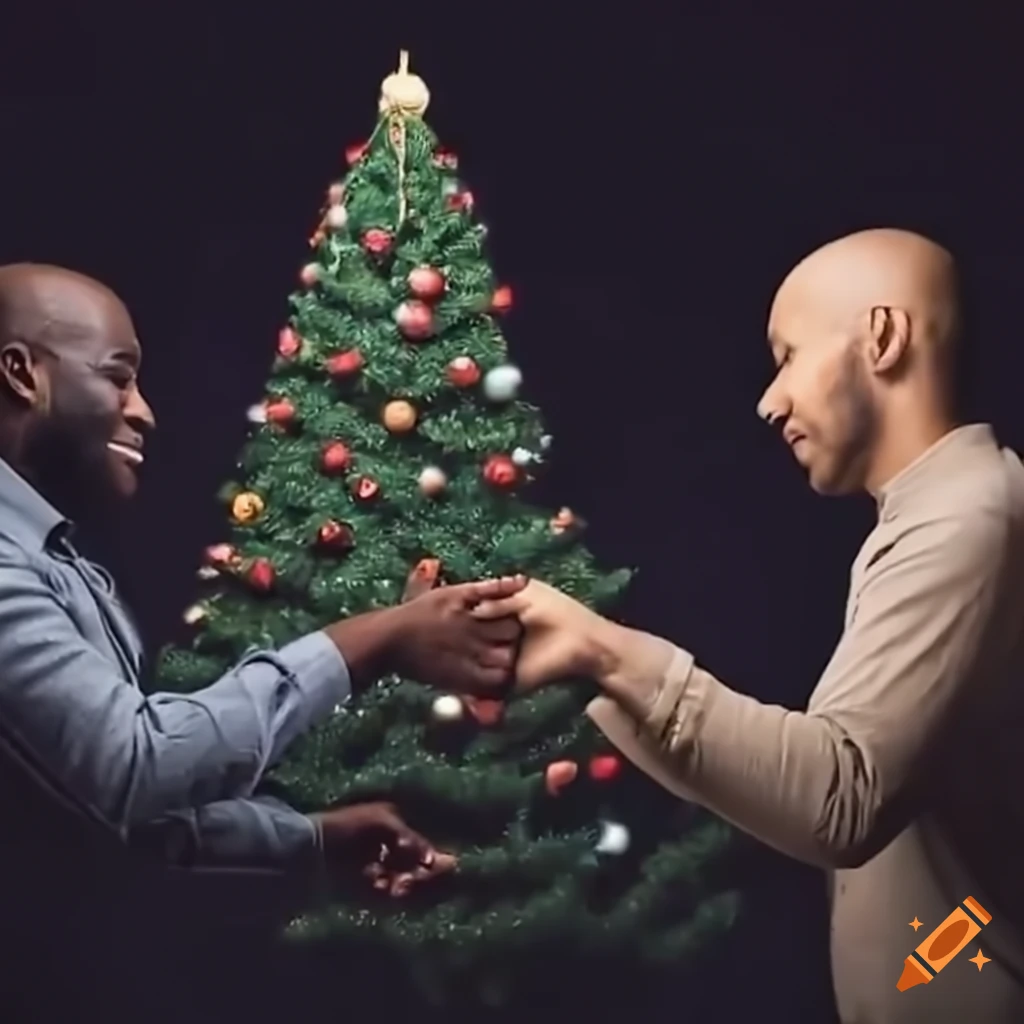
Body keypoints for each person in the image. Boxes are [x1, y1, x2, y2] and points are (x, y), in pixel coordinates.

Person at [471, 229, 1024, 1022]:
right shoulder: (938, 516)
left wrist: (603, 648)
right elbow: (789, 791)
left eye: (789, 355)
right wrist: (586, 667)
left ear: (884, 337)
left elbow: (840, 799)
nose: (770, 401)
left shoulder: (967, 519)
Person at [0, 262, 526, 897]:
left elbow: (120, 815)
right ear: (22, 373)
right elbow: (135, 764)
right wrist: (368, 641)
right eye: (118, 377)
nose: (144, 412)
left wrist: (314, 838)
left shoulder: (50, 558)